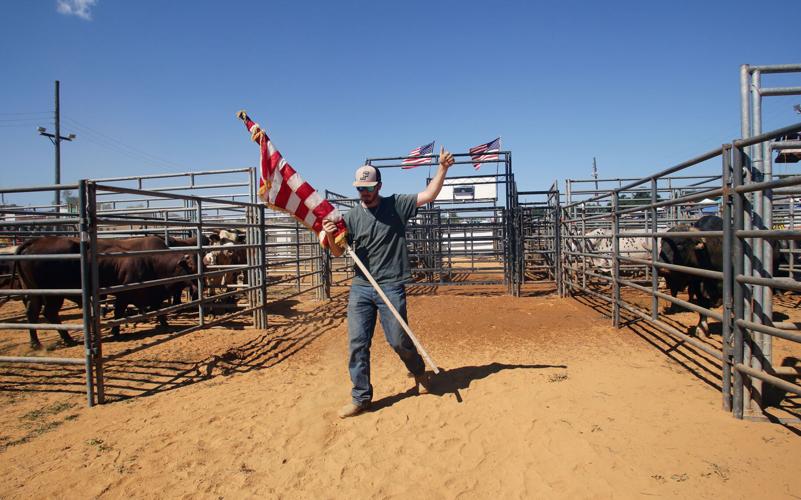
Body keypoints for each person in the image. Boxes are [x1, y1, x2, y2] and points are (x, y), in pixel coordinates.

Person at [322, 147, 455, 418]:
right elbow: (338, 252)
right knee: (358, 343)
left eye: (369, 187)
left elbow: (429, 195)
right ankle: (361, 397)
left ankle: (418, 370)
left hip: (391, 285)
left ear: (379, 186)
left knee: (398, 340)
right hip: (361, 287)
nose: (365, 192)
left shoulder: (397, 204)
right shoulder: (349, 218)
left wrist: (443, 169)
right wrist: (329, 235)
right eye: (360, 188)